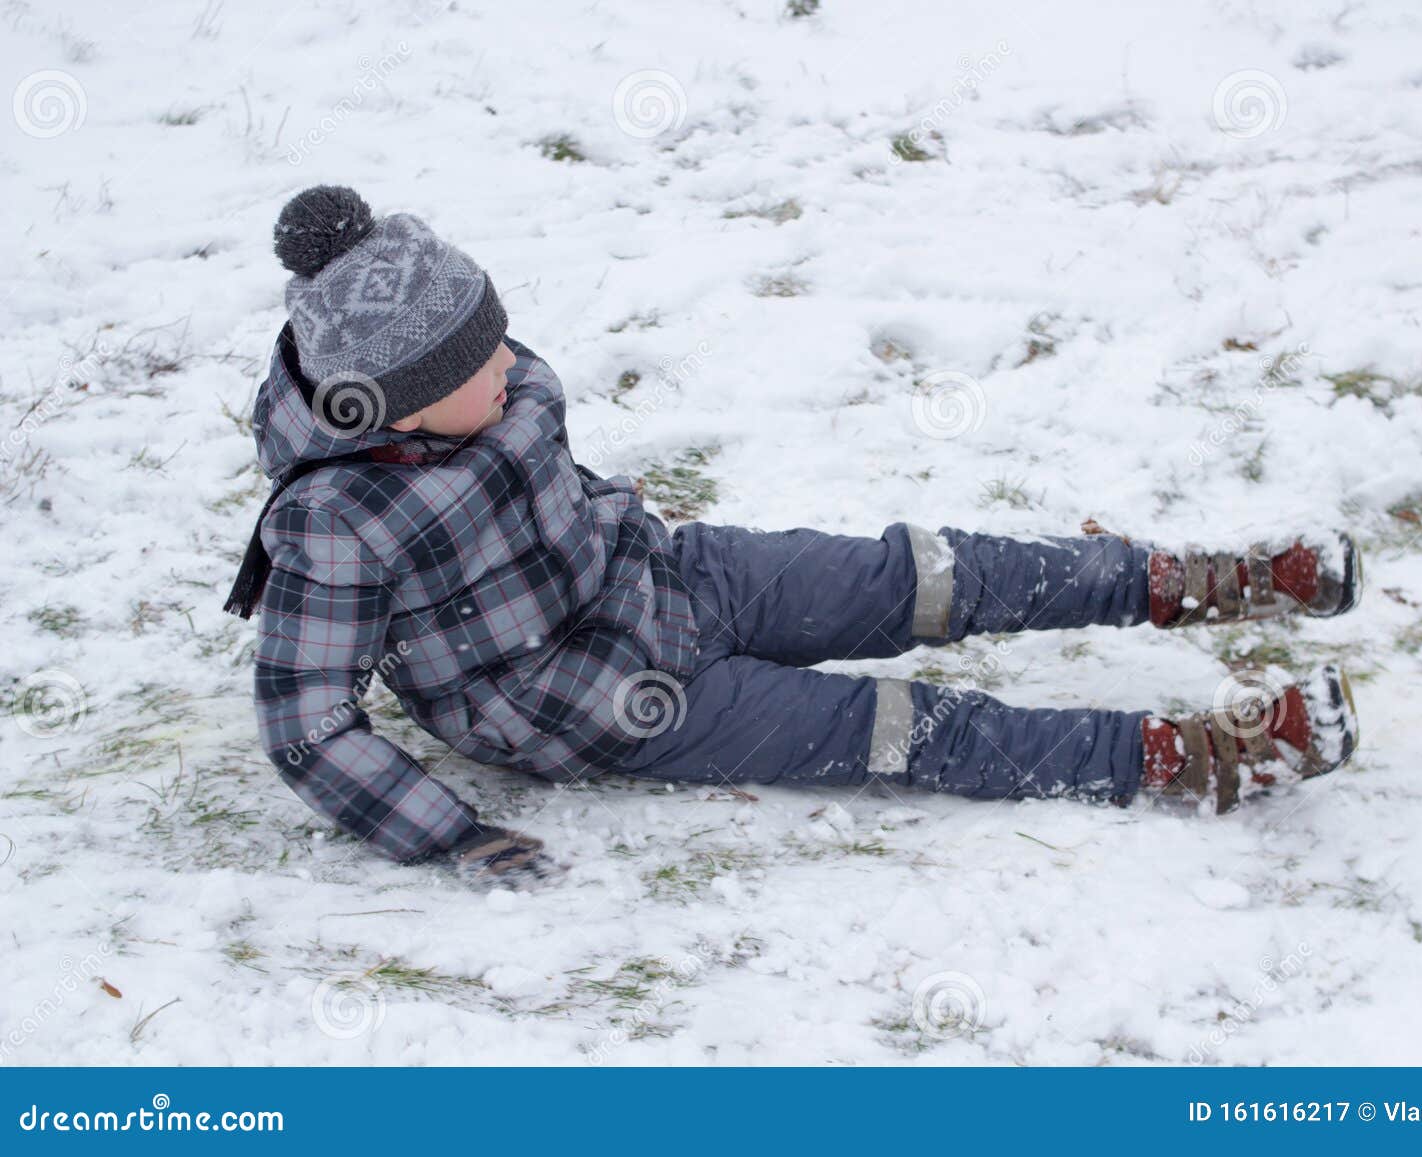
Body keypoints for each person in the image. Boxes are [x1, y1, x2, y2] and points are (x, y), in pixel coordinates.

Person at [227, 185, 1361, 885]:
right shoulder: (336, 527)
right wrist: (448, 832)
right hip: (596, 703)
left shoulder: (499, 384)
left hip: (665, 575)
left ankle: (1185, 582)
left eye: (496, 335)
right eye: (473, 361)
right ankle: (1184, 756)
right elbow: (307, 720)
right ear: (401, 404)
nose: (507, 361)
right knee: (900, 728)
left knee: (917, 575)